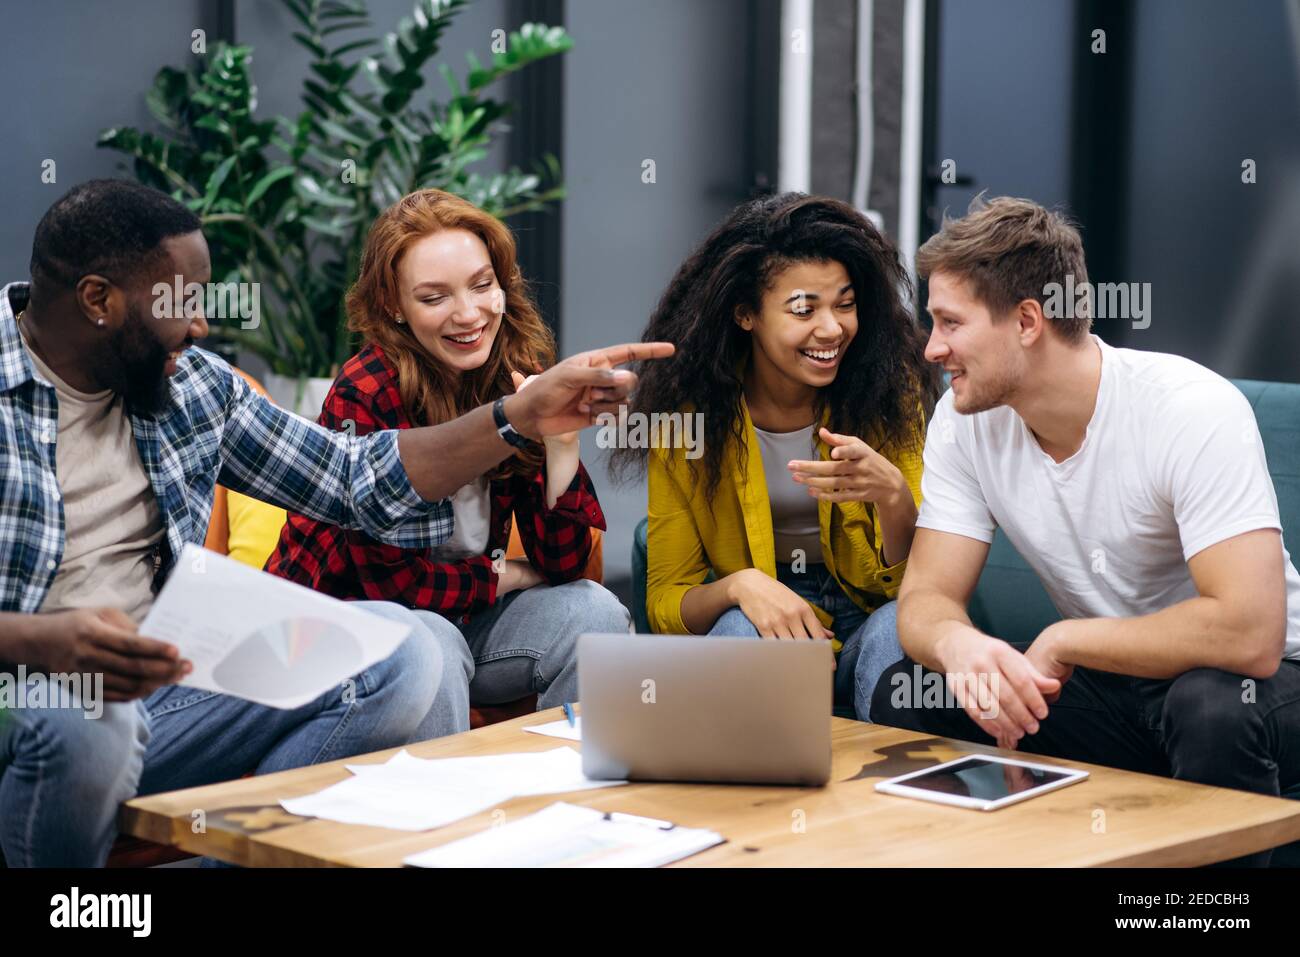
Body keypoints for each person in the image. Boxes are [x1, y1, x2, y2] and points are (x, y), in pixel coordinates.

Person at [0, 179, 669, 866]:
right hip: (30, 699)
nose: (202, 325)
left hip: (173, 695)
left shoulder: (194, 386)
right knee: (90, 718)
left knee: (406, 651)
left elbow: (353, 478)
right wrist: (41, 642)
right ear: (97, 300)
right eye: (182, 303)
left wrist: (518, 420)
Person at [869, 196, 1300, 863]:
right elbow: (924, 598)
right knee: (914, 688)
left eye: (950, 322)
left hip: (1264, 685)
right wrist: (961, 649)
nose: (933, 348)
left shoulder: (1189, 408)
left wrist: (1067, 637)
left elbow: (1251, 632)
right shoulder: (963, 421)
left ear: (1027, 321)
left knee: (1208, 704)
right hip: (1119, 686)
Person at [267, 189, 630, 732]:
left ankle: (570, 799)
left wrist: (560, 448)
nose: (468, 314)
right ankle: (440, 813)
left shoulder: (515, 369)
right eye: (435, 297)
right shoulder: (365, 391)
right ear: (394, 305)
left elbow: (564, 563)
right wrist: (499, 575)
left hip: (465, 618)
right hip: (348, 630)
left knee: (594, 610)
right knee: (430, 643)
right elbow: (390, 586)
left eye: (482, 285)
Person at [615, 193, 938, 719]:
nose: (832, 329)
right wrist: (741, 587)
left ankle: (893, 794)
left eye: (846, 303)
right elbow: (665, 603)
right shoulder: (687, 419)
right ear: (746, 314)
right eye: (804, 309)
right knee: (742, 629)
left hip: (868, 610)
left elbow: (920, 588)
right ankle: (743, 798)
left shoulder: (888, 392)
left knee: (903, 632)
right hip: (760, 608)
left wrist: (894, 498)